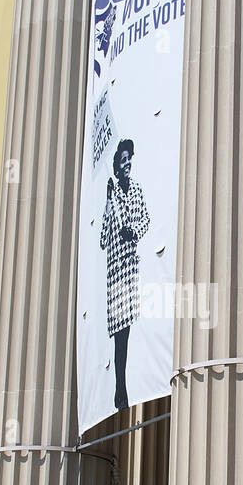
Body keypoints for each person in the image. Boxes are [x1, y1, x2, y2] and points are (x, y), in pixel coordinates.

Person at [100, 138, 150, 410]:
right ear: (117, 167)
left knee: (127, 331)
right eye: (123, 160)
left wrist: (135, 231)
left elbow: (145, 219)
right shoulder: (114, 195)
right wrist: (108, 202)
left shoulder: (137, 190)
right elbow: (103, 237)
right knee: (120, 333)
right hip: (115, 270)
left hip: (131, 266)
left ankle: (122, 389)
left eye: (129, 158)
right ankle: (120, 389)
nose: (127, 163)